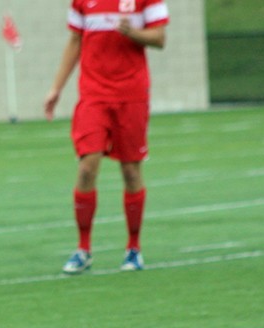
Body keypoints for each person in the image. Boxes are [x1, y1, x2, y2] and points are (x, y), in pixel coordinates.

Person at [43, 0, 169, 274]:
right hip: (93, 94)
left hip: (131, 94)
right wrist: (56, 88)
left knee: (131, 172)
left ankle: (133, 249)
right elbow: (75, 41)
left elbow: (160, 38)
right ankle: (83, 249)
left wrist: (134, 33)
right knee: (87, 167)